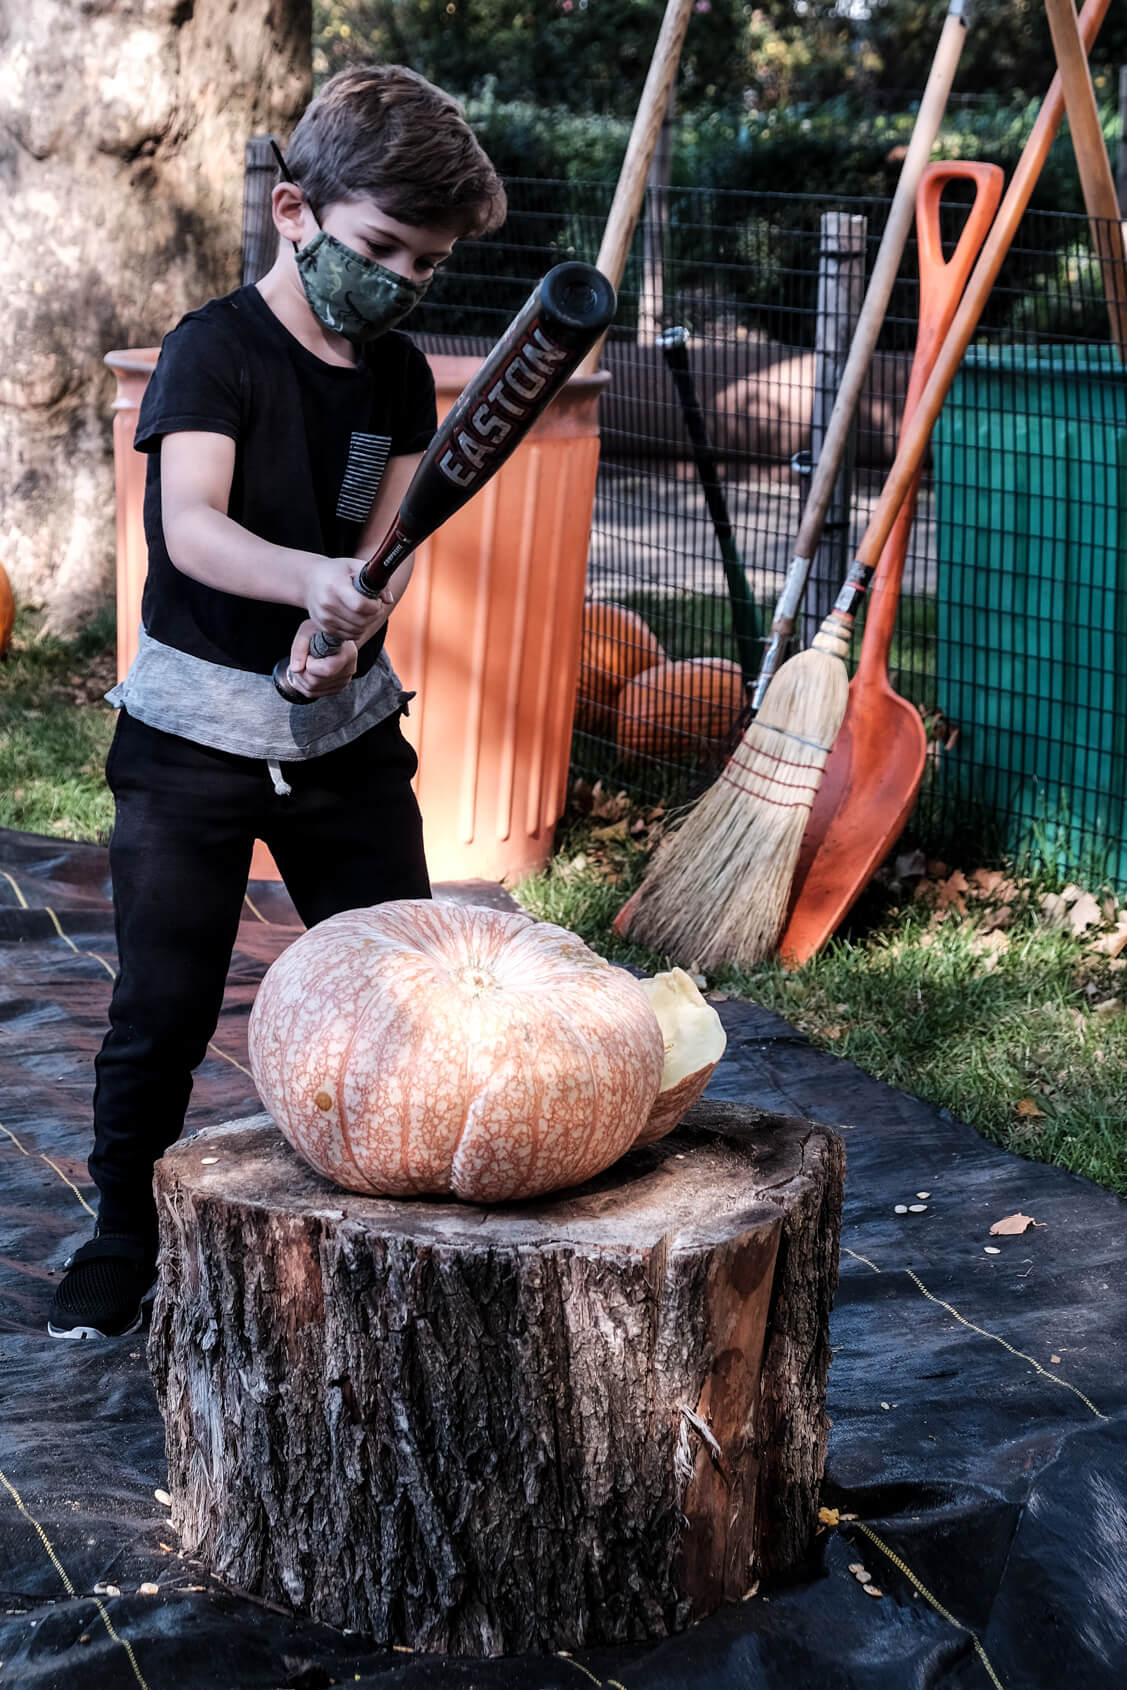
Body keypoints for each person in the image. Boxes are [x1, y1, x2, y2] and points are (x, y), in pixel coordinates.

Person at [47, 63, 507, 1339]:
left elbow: (385, 547)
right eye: (380, 248)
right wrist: (310, 578)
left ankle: (411, 1225)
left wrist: (353, 636)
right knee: (162, 1007)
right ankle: (121, 1235)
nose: (402, 280)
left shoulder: (398, 374)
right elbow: (190, 528)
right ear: (294, 212)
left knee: (405, 988)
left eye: (424, 264)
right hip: (192, 738)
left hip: (341, 739)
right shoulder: (214, 352)